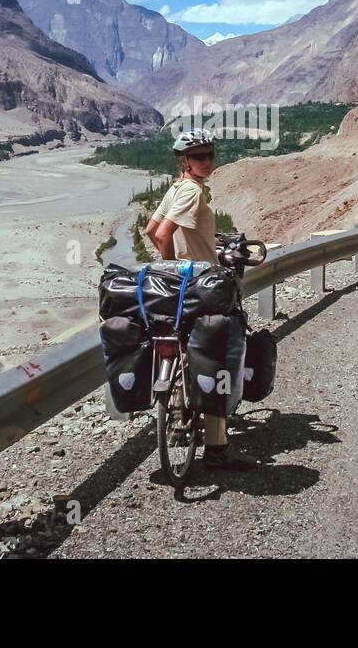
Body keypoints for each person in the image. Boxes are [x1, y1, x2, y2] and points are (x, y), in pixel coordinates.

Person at [144, 128, 258, 471]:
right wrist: (180, 267)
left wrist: (168, 271)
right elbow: (163, 235)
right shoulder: (191, 193)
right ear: (184, 161)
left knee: (187, 349)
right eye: (199, 156)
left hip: (178, 288)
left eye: (210, 154)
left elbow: (150, 231)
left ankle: (179, 415)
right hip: (202, 284)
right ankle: (217, 448)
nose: (207, 161)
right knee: (217, 354)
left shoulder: (176, 188)